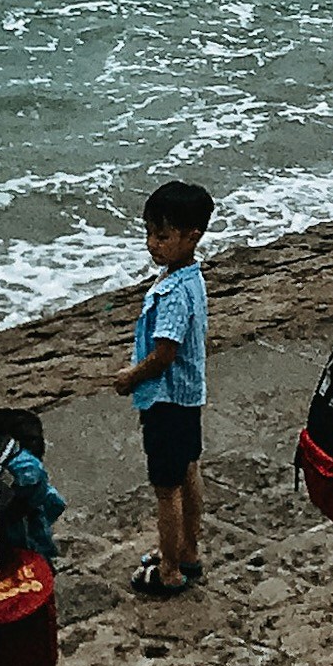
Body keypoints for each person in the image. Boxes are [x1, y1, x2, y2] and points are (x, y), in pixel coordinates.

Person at [116, 180, 214, 598]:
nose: (152, 245)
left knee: (166, 487)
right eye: (149, 235)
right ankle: (187, 549)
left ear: (191, 236)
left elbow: (164, 354)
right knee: (188, 469)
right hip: (188, 396)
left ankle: (171, 567)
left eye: (161, 236)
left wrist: (130, 377)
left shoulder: (174, 293)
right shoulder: (189, 278)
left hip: (166, 399)